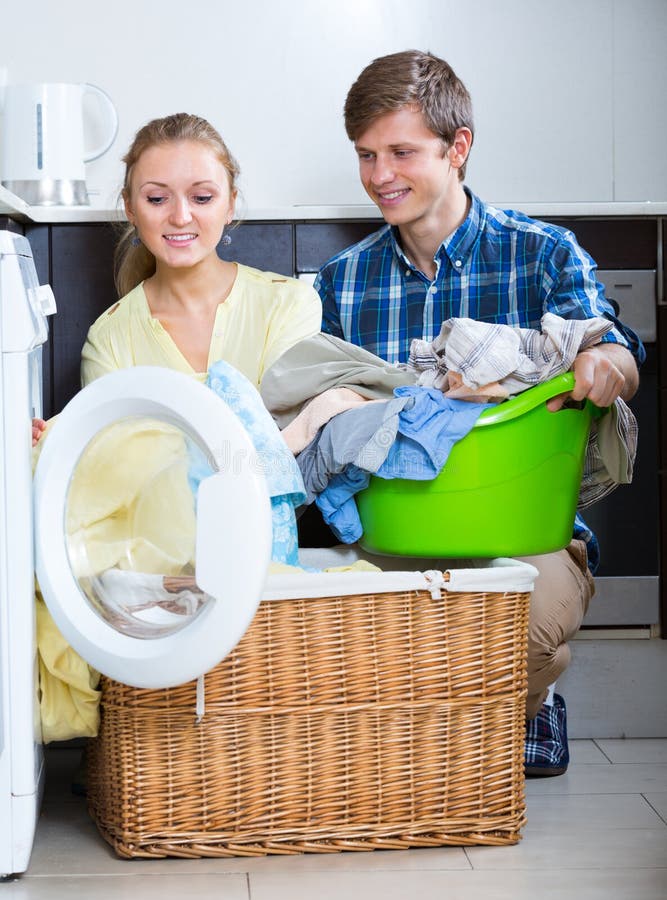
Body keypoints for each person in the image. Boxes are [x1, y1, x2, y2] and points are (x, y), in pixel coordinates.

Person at [315, 50, 645, 776]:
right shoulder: (344, 280)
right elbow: (327, 403)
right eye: (365, 156)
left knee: (518, 633)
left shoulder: (541, 254)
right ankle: (455, 745)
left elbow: (613, 348)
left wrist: (604, 367)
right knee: (358, 649)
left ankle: (530, 695)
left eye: (400, 152)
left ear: (456, 147)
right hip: (396, 523)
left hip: (525, 531)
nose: (378, 176)